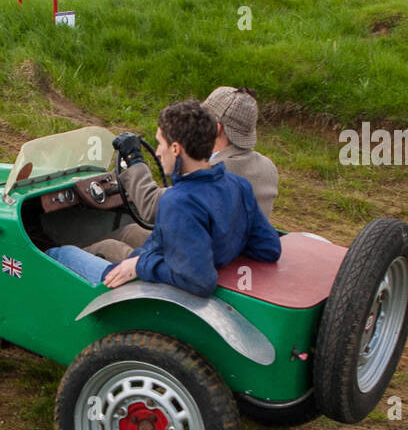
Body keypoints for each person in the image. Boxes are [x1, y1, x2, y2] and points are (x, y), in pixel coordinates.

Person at [46, 101, 281, 297]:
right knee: (127, 232)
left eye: (160, 143)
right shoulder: (237, 185)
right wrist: (223, 247)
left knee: (60, 254)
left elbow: (200, 280)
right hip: (176, 256)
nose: (157, 152)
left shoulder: (179, 201)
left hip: (156, 286)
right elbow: (269, 247)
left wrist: (140, 265)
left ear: (176, 149)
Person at [85, 86, 279, 262]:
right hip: (229, 254)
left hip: (193, 261)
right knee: (131, 232)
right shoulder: (267, 167)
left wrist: (135, 161)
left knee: (103, 248)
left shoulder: (215, 173)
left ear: (217, 129)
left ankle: (59, 258)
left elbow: (151, 207)